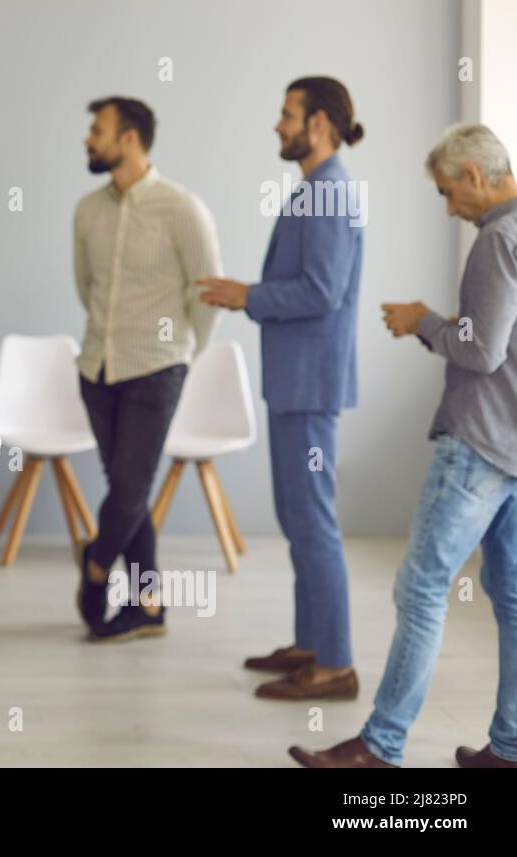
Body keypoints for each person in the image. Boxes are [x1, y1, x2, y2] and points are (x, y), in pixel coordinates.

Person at [291, 124, 517, 768]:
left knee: (420, 588)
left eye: (449, 192)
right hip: (516, 446)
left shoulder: (498, 240)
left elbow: (481, 349)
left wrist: (423, 322)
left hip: (478, 440)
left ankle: (380, 747)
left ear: (475, 175)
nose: (449, 207)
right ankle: (508, 751)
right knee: (513, 598)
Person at [200, 76, 364, 700]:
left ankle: (336, 664)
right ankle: (311, 644)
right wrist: (252, 296)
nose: (278, 124)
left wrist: (248, 296)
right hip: (299, 380)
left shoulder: (329, 193)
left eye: (287, 114)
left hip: (309, 382)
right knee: (299, 516)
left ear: (317, 123)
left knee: (312, 519)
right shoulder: (318, 189)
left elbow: (323, 291)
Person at [73, 97, 222, 643]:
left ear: (130, 138)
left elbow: (206, 294)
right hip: (97, 368)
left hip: (156, 369)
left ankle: (95, 567)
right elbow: (86, 285)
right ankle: (148, 605)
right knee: (126, 488)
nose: (88, 139)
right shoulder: (88, 209)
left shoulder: (182, 208)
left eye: (98, 130)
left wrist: (180, 357)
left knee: (131, 489)